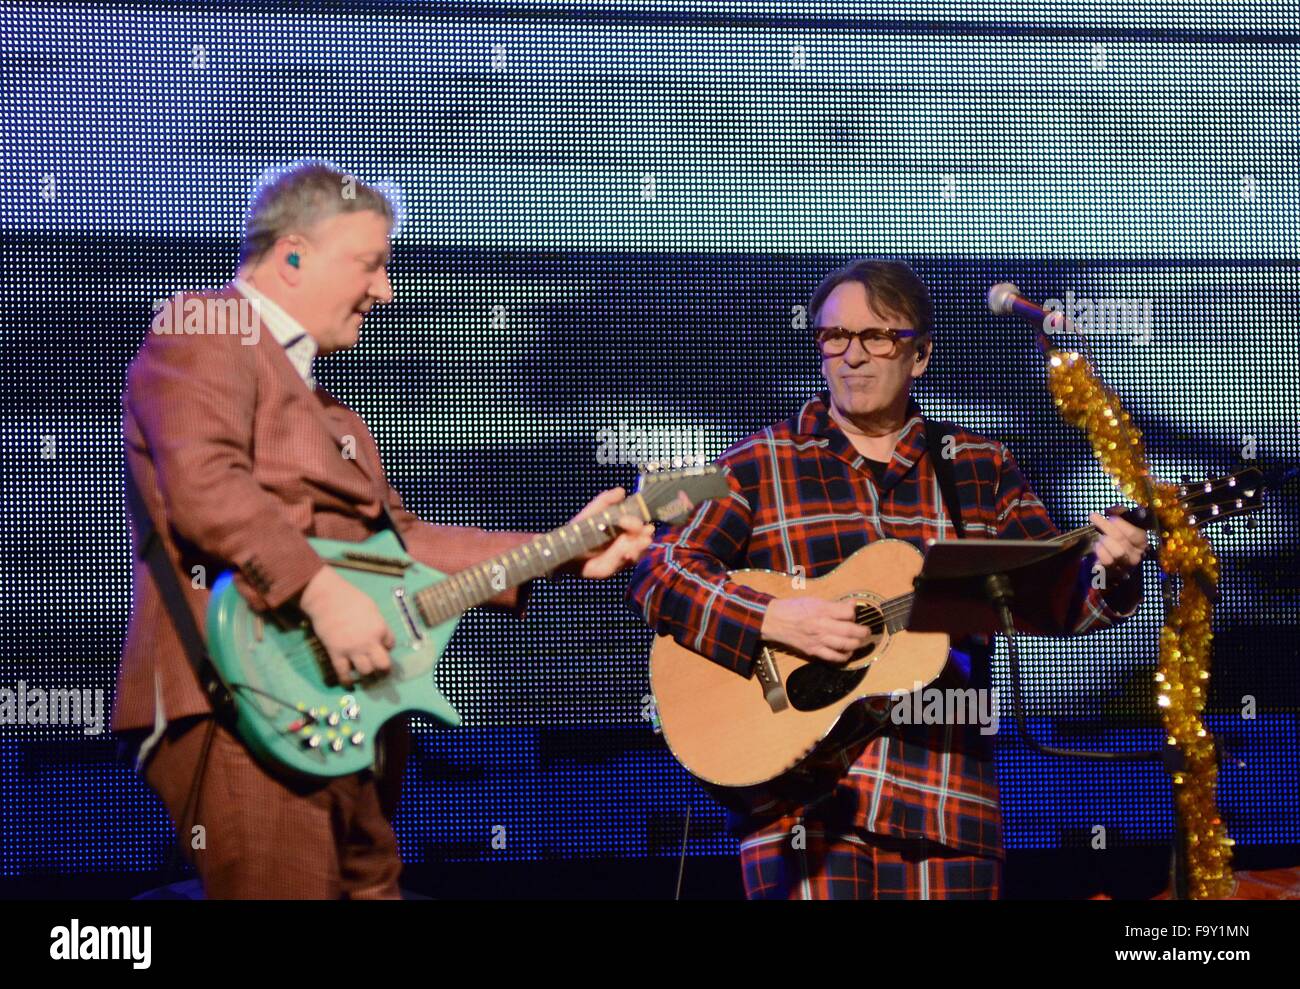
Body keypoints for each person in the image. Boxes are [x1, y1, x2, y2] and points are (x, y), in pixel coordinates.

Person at [114, 161, 654, 898]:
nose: (386, 290)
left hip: (344, 711)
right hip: (245, 696)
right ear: (293, 254)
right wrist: (320, 593)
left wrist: (563, 547)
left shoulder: (338, 420)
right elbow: (206, 486)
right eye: (370, 265)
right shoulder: (204, 330)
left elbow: (403, 546)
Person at [627, 258, 1148, 899]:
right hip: (805, 804)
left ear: (920, 355)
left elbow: (1060, 602)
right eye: (834, 337)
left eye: (877, 337)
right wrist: (772, 618)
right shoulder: (753, 460)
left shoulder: (980, 466)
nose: (852, 355)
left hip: (948, 802)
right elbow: (660, 567)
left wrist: (1113, 568)